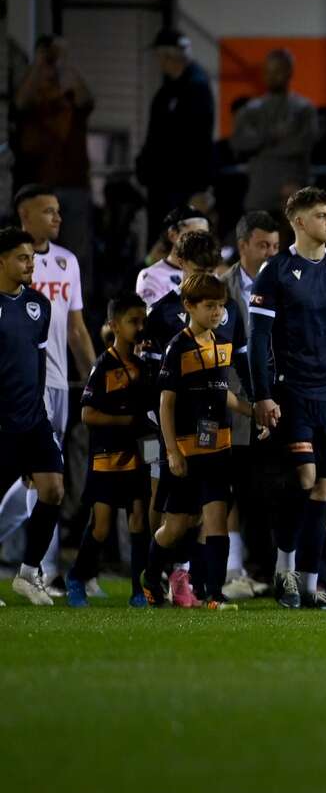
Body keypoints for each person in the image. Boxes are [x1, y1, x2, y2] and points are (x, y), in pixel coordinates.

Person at [249, 187, 326, 610]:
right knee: (303, 479)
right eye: (320, 215)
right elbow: (256, 338)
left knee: (322, 489)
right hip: (292, 391)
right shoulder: (276, 271)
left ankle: (310, 583)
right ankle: (284, 573)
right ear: (298, 222)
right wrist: (262, 395)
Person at [0, 186, 97, 589]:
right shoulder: (12, 279)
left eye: (59, 211)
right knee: (28, 483)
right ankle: (23, 562)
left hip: (52, 389)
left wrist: (95, 377)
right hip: (12, 399)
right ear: (25, 215)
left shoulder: (62, 266)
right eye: (48, 212)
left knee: (50, 484)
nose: (58, 219)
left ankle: (37, 568)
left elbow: (76, 329)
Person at [143, 273, 255, 609]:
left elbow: (224, 395)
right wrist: (172, 451)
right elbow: (166, 402)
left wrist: (253, 411)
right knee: (179, 524)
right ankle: (150, 576)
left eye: (221, 305)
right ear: (189, 306)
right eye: (210, 306)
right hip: (188, 451)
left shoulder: (223, 344)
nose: (218, 312)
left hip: (218, 449)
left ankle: (213, 594)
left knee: (216, 518)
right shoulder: (178, 346)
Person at [67, 294, 153, 607]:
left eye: (143, 321)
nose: (140, 327)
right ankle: (77, 576)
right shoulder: (103, 366)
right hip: (106, 457)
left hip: (137, 456)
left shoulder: (144, 367)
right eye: (133, 322)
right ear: (114, 325)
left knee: (139, 519)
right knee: (101, 526)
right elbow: (87, 415)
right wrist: (125, 420)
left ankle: (137, 590)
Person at [0, 228, 68, 607]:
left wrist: (38, 411)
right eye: (23, 258)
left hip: (33, 420)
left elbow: (38, 365)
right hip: (2, 422)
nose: (31, 264)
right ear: (2, 261)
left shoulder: (39, 306)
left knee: (53, 489)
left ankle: (28, 575)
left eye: (33, 258)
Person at [219, 210, 281, 600]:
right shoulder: (220, 289)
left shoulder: (287, 281)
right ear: (242, 246)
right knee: (233, 490)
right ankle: (234, 570)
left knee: (271, 490)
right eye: (263, 246)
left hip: (277, 400)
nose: (271, 254)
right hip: (234, 402)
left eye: (276, 246)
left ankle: (268, 569)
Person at [13, 35, 94, 261]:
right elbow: (20, 102)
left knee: (76, 254)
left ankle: (75, 295)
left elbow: (85, 98)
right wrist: (38, 65)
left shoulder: (70, 92)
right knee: (35, 251)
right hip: (39, 186)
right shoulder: (33, 94)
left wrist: (64, 62)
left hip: (74, 184)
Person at [136, 29, 216, 248]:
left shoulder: (195, 88)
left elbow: (199, 140)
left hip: (181, 184)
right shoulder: (168, 90)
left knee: (178, 244)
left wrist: (201, 186)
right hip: (164, 184)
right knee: (163, 241)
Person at [231, 49, 317, 213]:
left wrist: (261, 147)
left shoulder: (304, 109)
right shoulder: (250, 110)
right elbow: (239, 142)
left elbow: (302, 144)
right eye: (268, 71)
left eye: (278, 71)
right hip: (260, 192)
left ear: (289, 72)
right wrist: (274, 136)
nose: (272, 76)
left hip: (293, 186)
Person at [136, 206, 211, 307]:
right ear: (173, 235)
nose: (202, 243)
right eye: (193, 236)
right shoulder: (151, 276)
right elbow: (152, 318)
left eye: (205, 237)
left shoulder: (211, 275)